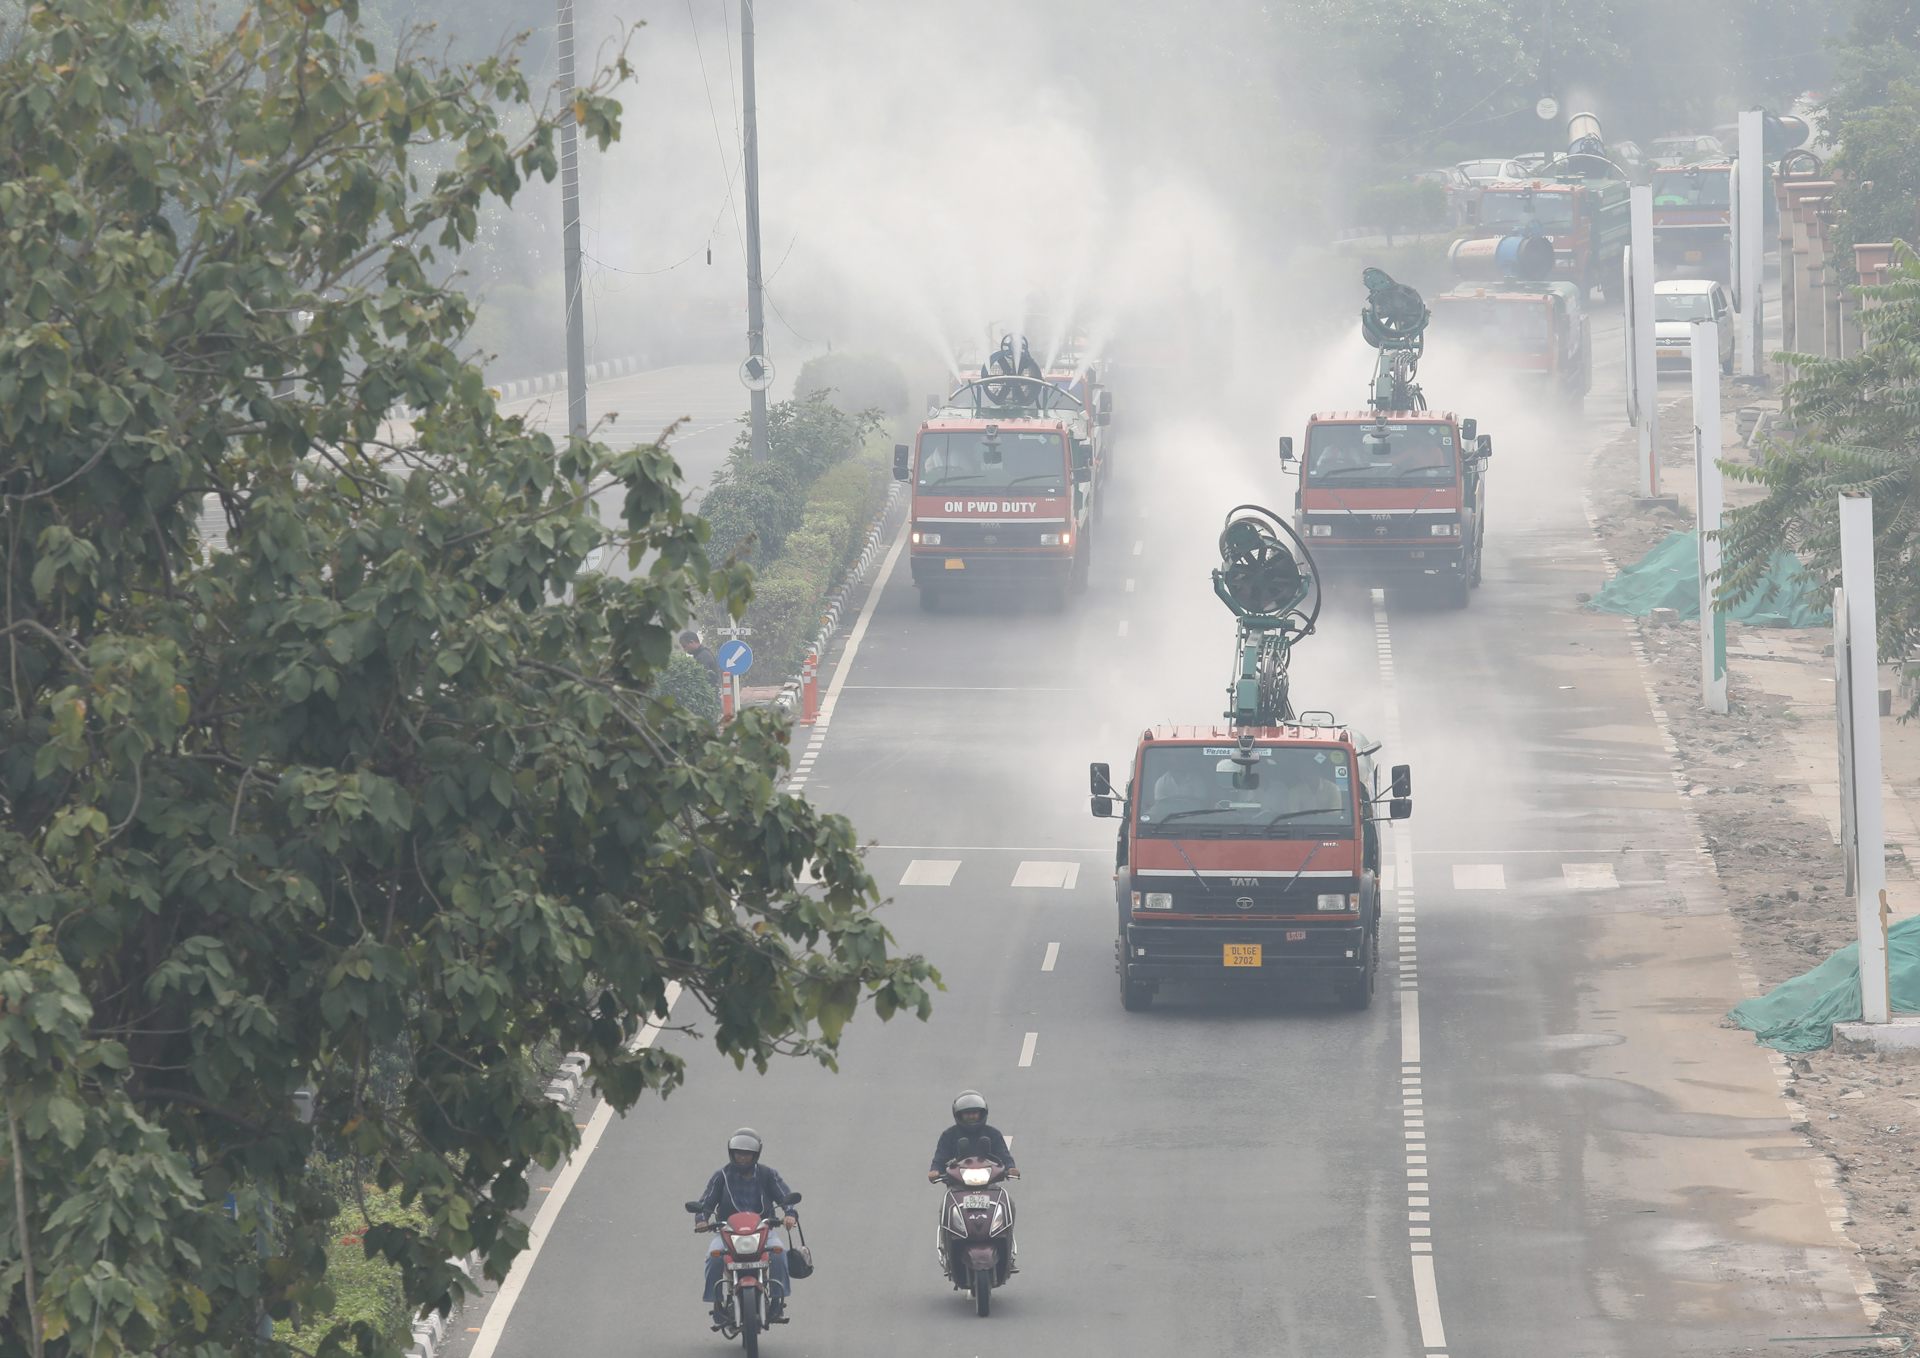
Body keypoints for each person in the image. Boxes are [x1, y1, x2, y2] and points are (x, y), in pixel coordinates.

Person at [692, 1129, 798, 1327]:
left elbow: (785, 1197)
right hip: (728, 1233)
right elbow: (705, 1202)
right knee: (713, 1257)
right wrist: (701, 1219)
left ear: (755, 1154)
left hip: (764, 1231)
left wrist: (790, 1214)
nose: (742, 1157)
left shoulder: (767, 1174)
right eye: (738, 1152)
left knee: (779, 1254)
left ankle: (777, 1302)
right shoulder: (721, 1176)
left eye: (747, 1153)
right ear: (731, 1153)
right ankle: (717, 1304)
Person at [928, 1090, 1018, 1180]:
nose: (971, 1116)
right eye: (967, 1113)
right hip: (957, 1184)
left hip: (989, 1183)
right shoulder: (948, 1135)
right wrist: (935, 1170)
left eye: (974, 1113)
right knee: (948, 1195)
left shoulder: (993, 1134)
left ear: (981, 1113)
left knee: (1003, 1194)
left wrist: (1010, 1167)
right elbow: (940, 1158)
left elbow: (1004, 1155)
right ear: (959, 1115)